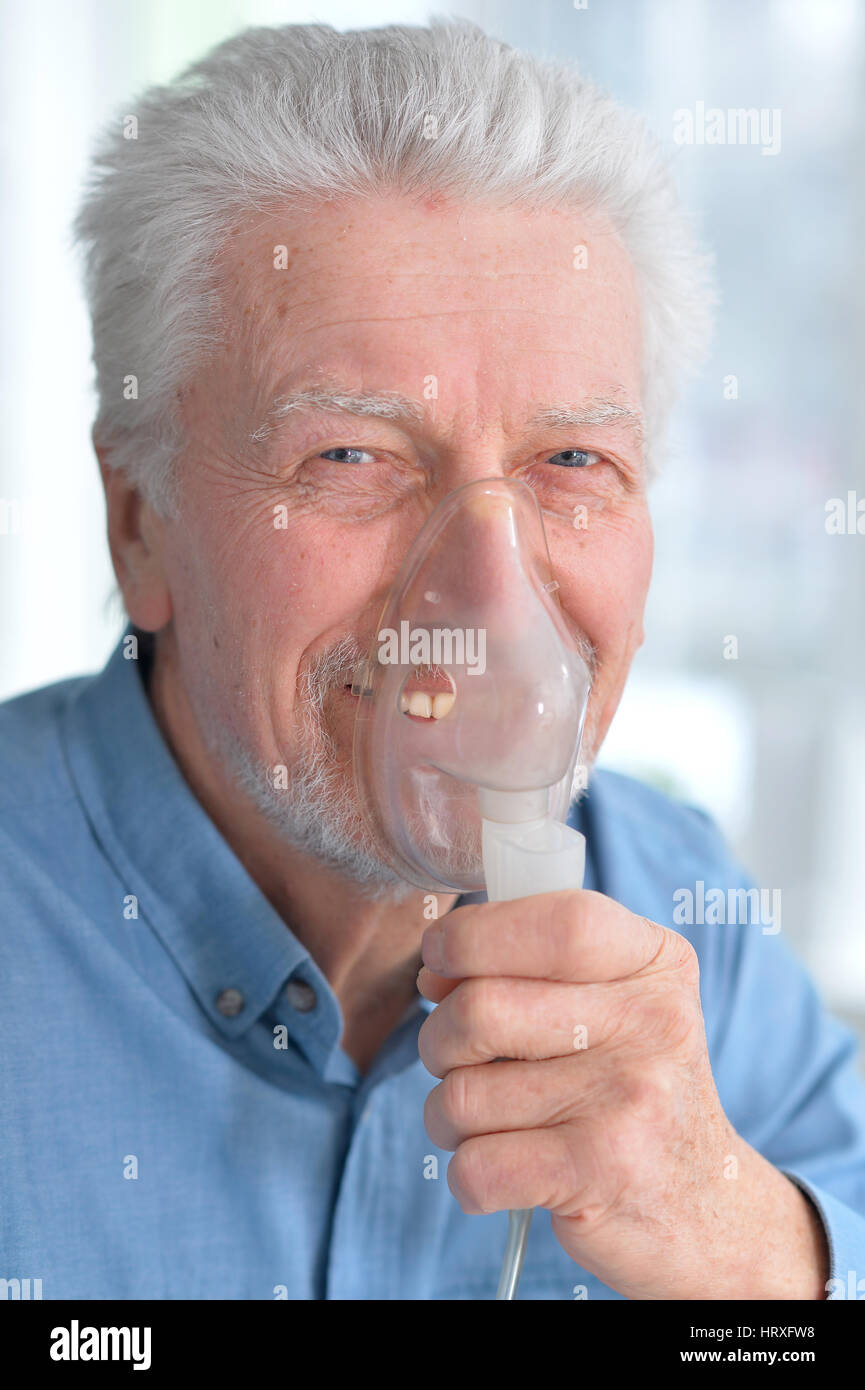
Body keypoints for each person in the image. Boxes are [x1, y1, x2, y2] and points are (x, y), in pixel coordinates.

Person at [1, 19, 863, 1301]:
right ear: (141, 520)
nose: (484, 594)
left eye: (572, 464)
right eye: (350, 457)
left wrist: (738, 1241)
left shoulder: (681, 918)